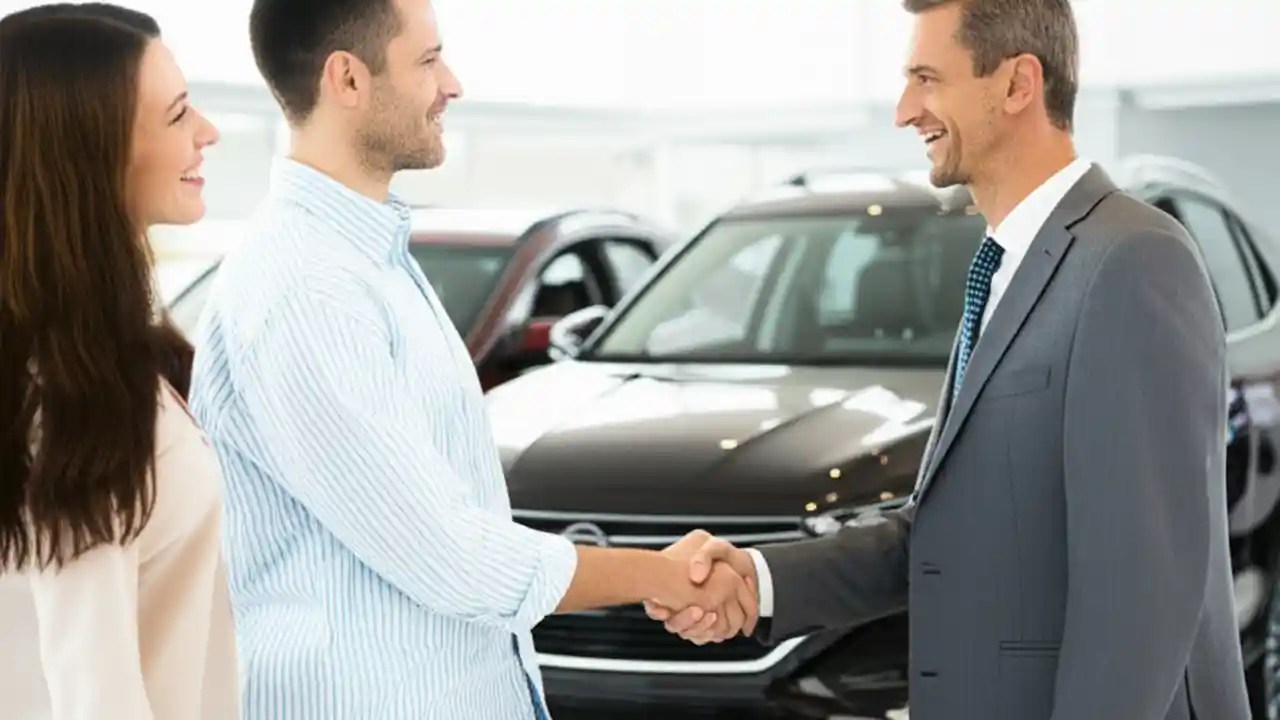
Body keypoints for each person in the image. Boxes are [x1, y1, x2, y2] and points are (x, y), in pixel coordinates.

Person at [648, 0, 1251, 718]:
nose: (906, 110)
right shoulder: (1003, 268)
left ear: (1018, 84)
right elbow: (948, 532)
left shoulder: (1132, 261)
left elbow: (1141, 590)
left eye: (927, 79)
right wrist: (758, 577)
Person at [187, 0, 755, 717]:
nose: (451, 84)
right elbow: (448, 554)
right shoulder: (305, 286)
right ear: (348, 80)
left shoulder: (369, 258)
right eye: (427, 60)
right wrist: (657, 575)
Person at [0, 5, 235, 720]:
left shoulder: (103, 365)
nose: (209, 132)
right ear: (88, 154)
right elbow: (89, 689)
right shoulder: (74, 401)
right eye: (176, 115)